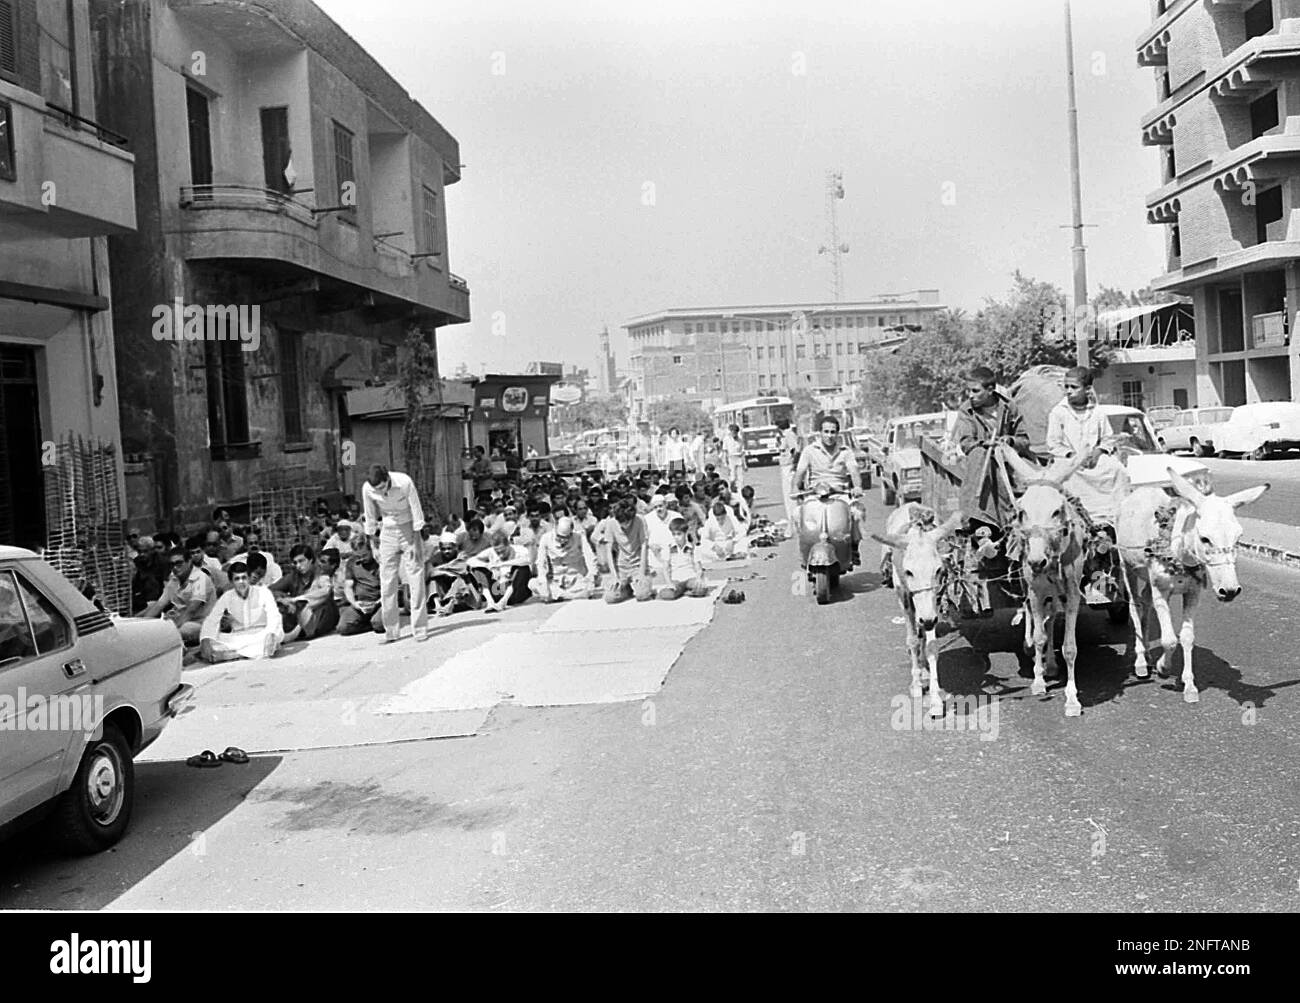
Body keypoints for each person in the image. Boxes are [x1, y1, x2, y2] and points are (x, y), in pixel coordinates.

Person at [953, 365, 1030, 550]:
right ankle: (980, 526)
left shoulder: (1009, 407)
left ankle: (1017, 525)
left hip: (1008, 463)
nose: (970, 395)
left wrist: (1009, 441)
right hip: (981, 465)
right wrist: (985, 445)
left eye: (975, 391)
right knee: (981, 456)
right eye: (968, 391)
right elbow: (966, 442)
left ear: (990, 390)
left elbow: (1024, 440)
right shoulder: (967, 410)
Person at [1045, 366, 1130, 524]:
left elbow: (1108, 438)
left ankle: (1117, 515)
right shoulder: (1058, 412)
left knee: (1118, 471)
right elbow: (1053, 443)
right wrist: (1073, 457)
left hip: (1094, 461)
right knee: (1066, 480)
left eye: (1074, 387)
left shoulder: (1097, 412)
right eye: (1067, 387)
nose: (1069, 391)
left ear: (1087, 389)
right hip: (1068, 461)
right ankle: (1077, 517)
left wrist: (1098, 452)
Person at [363, 464, 428, 643]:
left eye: (383, 487)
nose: (382, 492)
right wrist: (373, 545)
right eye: (378, 490)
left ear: (388, 478)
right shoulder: (367, 489)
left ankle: (420, 628)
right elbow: (369, 517)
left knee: (415, 577)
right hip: (387, 530)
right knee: (387, 581)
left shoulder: (405, 482)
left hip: (408, 528)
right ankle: (391, 631)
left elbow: (417, 512)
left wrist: (416, 543)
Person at [198, 561, 283, 662]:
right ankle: (248, 653)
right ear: (231, 581)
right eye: (237, 579)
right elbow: (212, 620)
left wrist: (270, 633)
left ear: (249, 578)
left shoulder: (263, 592)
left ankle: (233, 655)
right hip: (238, 637)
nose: (241, 582)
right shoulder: (227, 597)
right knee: (212, 642)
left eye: (244, 577)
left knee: (275, 635)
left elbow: (274, 616)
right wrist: (205, 639)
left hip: (262, 633)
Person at [139, 545, 217, 644]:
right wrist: (142, 625)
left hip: (200, 622)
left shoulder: (201, 579)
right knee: (151, 610)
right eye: (172, 565)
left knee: (185, 629)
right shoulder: (174, 578)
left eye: (179, 564)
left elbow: (191, 611)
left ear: (189, 562)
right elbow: (160, 604)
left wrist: (171, 630)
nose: (175, 568)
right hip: (179, 619)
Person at [270, 544, 339, 642]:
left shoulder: (321, 574)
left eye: (301, 561)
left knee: (317, 601)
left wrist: (296, 599)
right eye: (295, 562)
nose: (298, 566)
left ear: (311, 560)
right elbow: (269, 591)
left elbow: (325, 591)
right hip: (301, 616)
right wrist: (283, 600)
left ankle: (300, 632)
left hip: (322, 616)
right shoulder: (293, 577)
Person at [600, 497, 654, 603]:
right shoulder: (611, 523)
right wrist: (614, 576)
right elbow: (609, 551)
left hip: (637, 565)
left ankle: (639, 586)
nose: (625, 525)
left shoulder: (640, 520)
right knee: (610, 597)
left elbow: (644, 545)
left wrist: (641, 573)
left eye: (627, 522)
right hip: (622, 567)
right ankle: (627, 588)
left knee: (642, 595)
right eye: (622, 522)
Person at [338, 535, 386, 635]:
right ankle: (368, 625)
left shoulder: (380, 562)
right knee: (343, 628)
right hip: (361, 604)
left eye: (364, 555)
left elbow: (390, 587)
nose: (362, 559)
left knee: (379, 625)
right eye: (358, 556)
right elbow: (348, 586)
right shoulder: (352, 562)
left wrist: (377, 603)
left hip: (380, 602)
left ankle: (376, 622)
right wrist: (355, 604)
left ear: (371, 550)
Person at [657, 518, 710, 600]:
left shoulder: (693, 547)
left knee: (702, 589)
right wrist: (669, 583)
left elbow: (698, 567)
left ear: (686, 532)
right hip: (676, 579)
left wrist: (699, 578)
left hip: (690, 578)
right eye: (674, 534)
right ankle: (682, 591)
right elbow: (665, 568)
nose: (676, 537)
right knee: (667, 594)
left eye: (679, 534)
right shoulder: (669, 548)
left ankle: (684, 591)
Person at [776, 417, 802, 524]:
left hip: (789, 466)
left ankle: (794, 517)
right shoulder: (784, 436)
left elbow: (796, 450)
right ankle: (790, 517)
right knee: (786, 493)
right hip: (785, 465)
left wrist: (794, 464)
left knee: (790, 494)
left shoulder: (789, 435)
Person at [722, 424, 746, 491]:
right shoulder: (726, 439)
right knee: (733, 477)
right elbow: (725, 451)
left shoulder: (740, 440)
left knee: (740, 477)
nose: (734, 434)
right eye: (732, 432)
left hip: (739, 458)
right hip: (731, 459)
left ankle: (741, 491)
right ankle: (732, 490)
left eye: (735, 432)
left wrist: (745, 464)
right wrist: (725, 461)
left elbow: (743, 452)